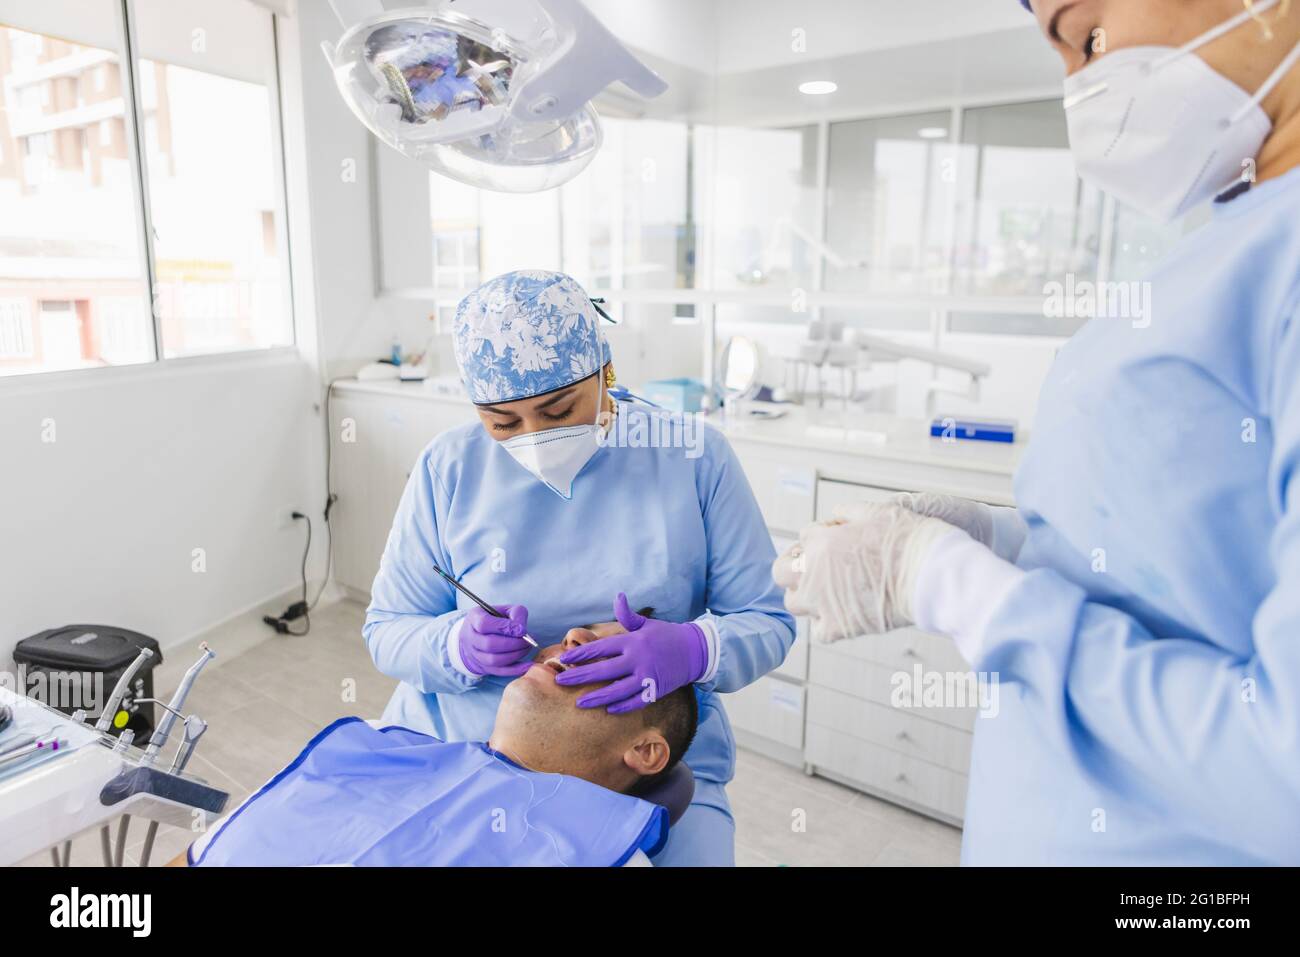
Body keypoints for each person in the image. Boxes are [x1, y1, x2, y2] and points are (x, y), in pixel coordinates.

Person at [775, 0, 1300, 864]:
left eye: (1087, 34)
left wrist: (952, 585)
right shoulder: (1224, 247)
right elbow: (1172, 561)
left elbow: (1283, 778)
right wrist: (994, 539)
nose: (1080, 84)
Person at [364, 269, 795, 866]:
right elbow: (387, 628)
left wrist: (695, 649)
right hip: (457, 747)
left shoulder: (694, 458)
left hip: (632, 770)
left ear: (605, 370)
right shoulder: (449, 467)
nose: (535, 435)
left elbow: (768, 620)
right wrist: (454, 648)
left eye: (559, 407)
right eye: (503, 423)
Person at [175, 619, 698, 867]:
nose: (575, 638)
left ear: (647, 751)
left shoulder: (603, 853)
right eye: (572, 638)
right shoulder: (374, 747)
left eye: (614, 657)